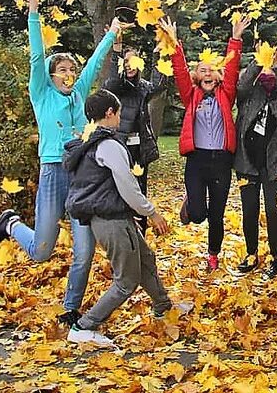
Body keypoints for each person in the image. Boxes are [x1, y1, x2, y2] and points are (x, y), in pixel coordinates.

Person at [0, 0, 120, 327]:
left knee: (84, 251)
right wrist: (33, 12)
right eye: (62, 71)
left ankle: (70, 308)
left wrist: (112, 34)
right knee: (42, 251)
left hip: (81, 177)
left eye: (71, 71)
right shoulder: (41, 94)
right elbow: (35, 56)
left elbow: (94, 62)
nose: (69, 75)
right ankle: (12, 223)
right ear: (50, 76)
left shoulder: (78, 95)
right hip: (52, 172)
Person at [63, 89, 191, 348]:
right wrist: (151, 212)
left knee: (146, 258)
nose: (121, 117)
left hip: (109, 218)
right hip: (112, 222)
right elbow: (128, 187)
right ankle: (84, 326)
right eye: (118, 112)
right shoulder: (108, 146)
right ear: (109, 113)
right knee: (126, 281)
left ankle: (163, 306)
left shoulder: (88, 141)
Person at [166, 16, 248, 272]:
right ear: (196, 76)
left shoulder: (226, 94)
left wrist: (235, 38)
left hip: (222, 161)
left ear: (218, 75)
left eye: (212, 69)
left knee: (216, 214)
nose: (208, 73)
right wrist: (173, 41)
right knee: (199, 213)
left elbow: (233, 69)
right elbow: (179, 70)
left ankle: (213, 257)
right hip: (197, 160)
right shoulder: (191, 96)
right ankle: (191, 204)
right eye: (203, 69)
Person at [234, 43, 277, 280]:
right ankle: (251, 254)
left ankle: (275, 257)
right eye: (265, 67)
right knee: (249, 211)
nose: (267, 71)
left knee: (274, 211)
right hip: (246, 162)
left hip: (275, 163)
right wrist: (259, 60)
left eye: (272, 66)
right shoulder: (249, 95)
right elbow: (240, 86)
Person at [102, 34, 166, 235]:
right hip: (118, 146)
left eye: (133, 62)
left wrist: (158, 55)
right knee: (120, 189)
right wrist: (117, 50)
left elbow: (159, 84)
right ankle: (122, 233)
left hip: (139, 149)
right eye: (126, 62)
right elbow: (113, 80)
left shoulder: (143, 87)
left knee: (139, 189)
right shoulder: (115, 87)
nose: (130, 66)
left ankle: (140, 233)